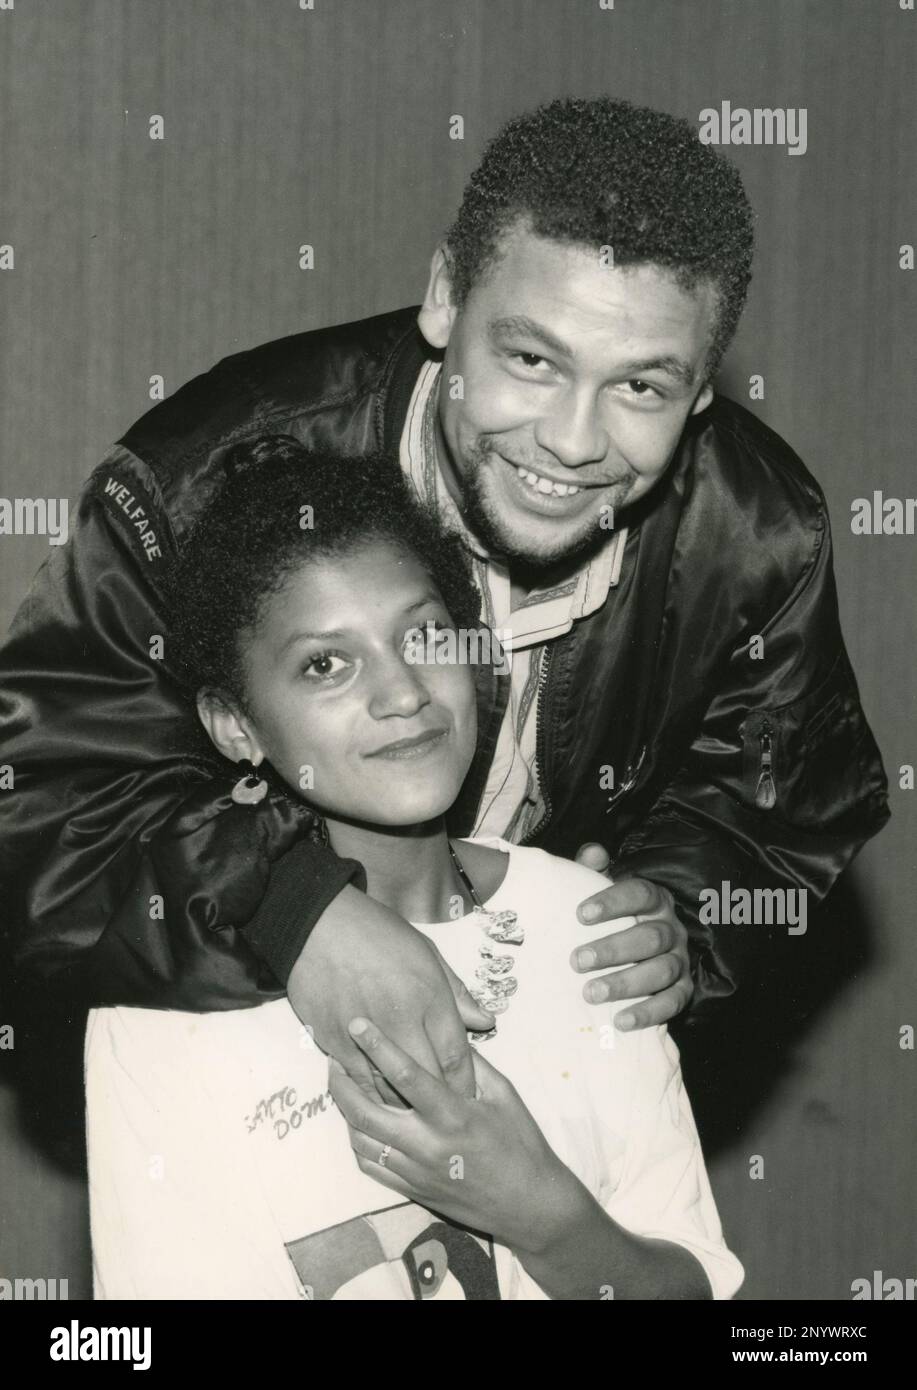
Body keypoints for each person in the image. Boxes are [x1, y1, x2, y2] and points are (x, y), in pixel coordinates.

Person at [0, 97, 889, 1110]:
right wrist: (287, 910)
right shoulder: (201, 480)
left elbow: (777, 808)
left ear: (696, 398)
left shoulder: (758, 530)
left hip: (537, 1093)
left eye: (639, 386)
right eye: (529, 359)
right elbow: (40, 819)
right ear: (441, 298)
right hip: (234, 1081)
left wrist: (681, 923)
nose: (569, 439)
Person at [85, 442, 744, 1301]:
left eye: (424, 635)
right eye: (326, 664)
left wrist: (544, 1216)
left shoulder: (596, 928)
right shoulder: (167, 997)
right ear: (235, 726)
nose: (402, 692)